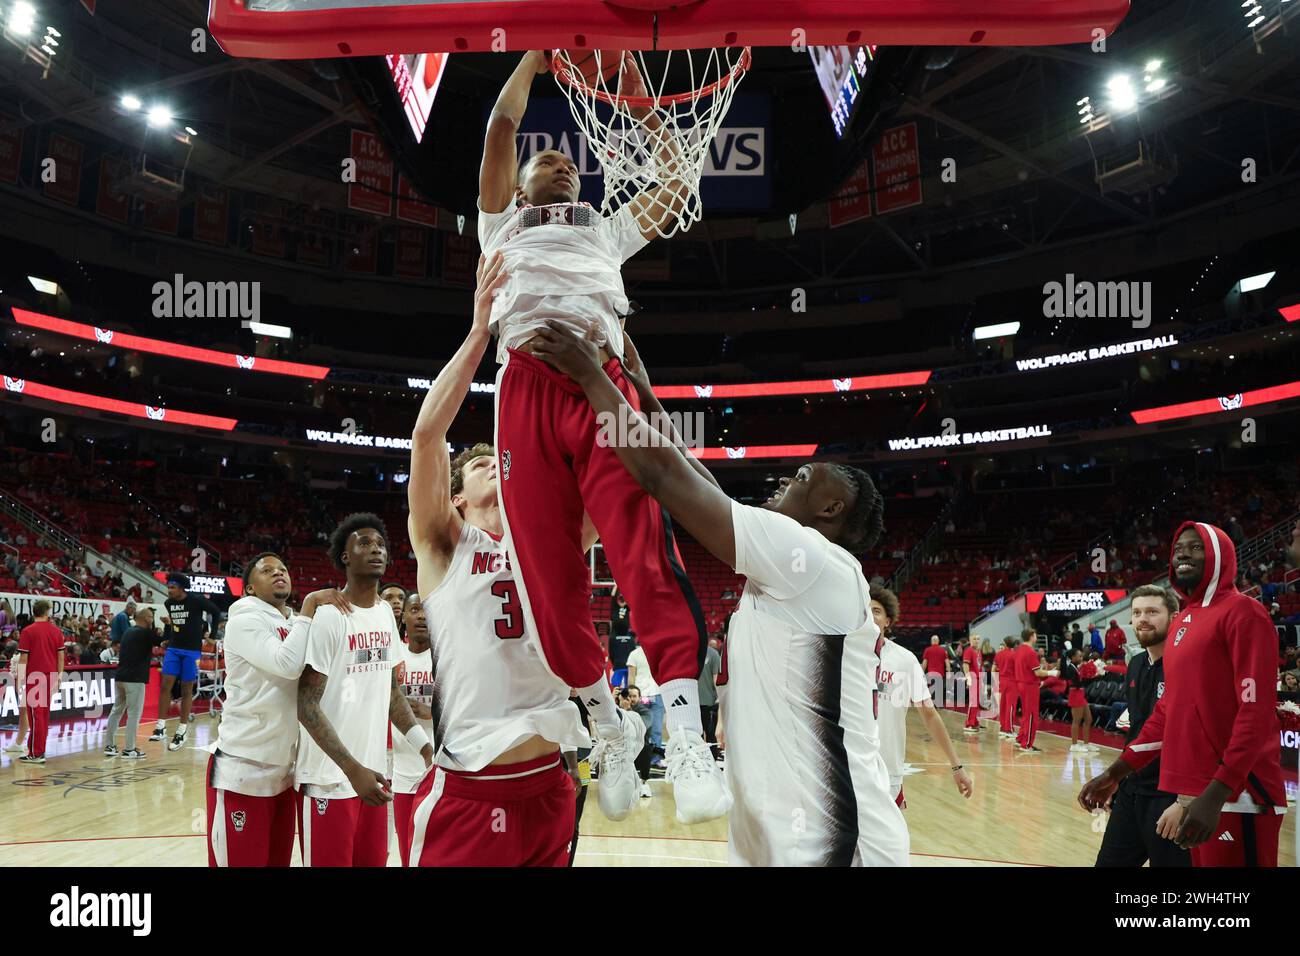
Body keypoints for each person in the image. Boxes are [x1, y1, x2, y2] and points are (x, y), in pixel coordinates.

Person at [529, 320, 907, 865]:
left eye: (802, 477)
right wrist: (645, 395)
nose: (785, 481)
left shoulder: (813, 559)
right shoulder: (799, 569)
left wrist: (591, 376)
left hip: (832, 832)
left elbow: (664, 479)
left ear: (831, 510)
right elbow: (695, 478)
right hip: (774, 823)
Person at [478, 51, 723, 822]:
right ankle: (608, 731)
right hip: (522, 388)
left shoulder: (605, 230)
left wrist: (638, 100)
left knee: (644, 549)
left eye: (570, 164)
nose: (559, 164)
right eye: (544, 161)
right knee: (549, 580)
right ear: (519, 185)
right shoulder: (498, 226)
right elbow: (501, 126)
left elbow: (680, 186)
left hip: (601, 383)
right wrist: (533, 50)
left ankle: (688, 743)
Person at [403, 256, 596, 867]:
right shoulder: (443, 544)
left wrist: (597, 360)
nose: (491, 464)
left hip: (549, 783)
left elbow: (618, 462)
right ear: (456, 496)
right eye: (478, 465)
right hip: (467, 788)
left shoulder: (556, 537)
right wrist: (481, 330)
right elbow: (427, 438)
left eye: (497, 461)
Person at [1079, 523, 1287, 867]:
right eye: (1177, 550)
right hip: (1195, 793)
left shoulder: (1244, 612)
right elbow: (1167, 712)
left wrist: (1218, 793)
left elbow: (1255, 712)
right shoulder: (1185, 620)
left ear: (1221, 555)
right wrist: (1116, 772)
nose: (1182, 555)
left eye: (1195, 547)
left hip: (1242, 795)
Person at [295, 514, 432, 867]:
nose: (376, 550)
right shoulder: (330, 617)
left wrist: (425, 747)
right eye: (365, 543)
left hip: (372, 779)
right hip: (329, 779)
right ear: (345, 556)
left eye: (381, 545)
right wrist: (351, 769)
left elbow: (391, 693)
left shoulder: (386, 613)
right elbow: (307, 705)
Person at [207, 553, 342, 867]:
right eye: (267, 571)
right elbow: (287, 665)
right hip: (243, 767)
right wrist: (310, 608)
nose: (278, 573)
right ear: (250, 588)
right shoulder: (244, 619)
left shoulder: (295, 622)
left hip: (284, 770)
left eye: (282, 569)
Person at [1080, 585, 1189, 867]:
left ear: (1174, 617)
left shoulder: (1188, 664)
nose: (1143, 619)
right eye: (1137, 612)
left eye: (1152, 612)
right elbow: (1136, 731)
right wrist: (1119, 779)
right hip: (1132, 790)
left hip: (1170, 795)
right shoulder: (1137, 663)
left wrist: (1186, 800)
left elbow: (1194, 737)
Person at [870, 586, 973, 809]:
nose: (870, 615)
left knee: (891, 844)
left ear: (888, 620)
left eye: (876, 611)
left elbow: (929, 714)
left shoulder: (904, 660)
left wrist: (956, 765)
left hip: (889, 772)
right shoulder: (842, 656)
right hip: (849, 772)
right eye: (865, 610)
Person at [149, 573, 223, 751]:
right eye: (168, 587)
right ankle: (160, 726)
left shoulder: (196, 601)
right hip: (174, 648)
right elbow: (175, 624)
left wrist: (212, 636)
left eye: (172, 587)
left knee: (187, 688)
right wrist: (167, 638)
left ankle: (181, 729)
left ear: (181, 588)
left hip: (191, 651)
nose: (169, 591)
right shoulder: (169, 604)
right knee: (166, 684)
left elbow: (215, 611)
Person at [391, 592, 434, 867]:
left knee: (435, 850)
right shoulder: (394, 659)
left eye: (427, 610)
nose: (421, 616)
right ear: (403, 616)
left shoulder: (445, 659)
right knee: (407, 853)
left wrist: (434, 712)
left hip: (437, 770)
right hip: (402, 771)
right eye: (415, 609)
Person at [14, 600, 64, 764]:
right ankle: (36, 750)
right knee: (43, 715)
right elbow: (61, 656)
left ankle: (36, 753)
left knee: (36, 716)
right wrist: (60, 675)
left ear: (33, 611)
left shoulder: (28, 631)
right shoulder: (56, 631)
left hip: (35, 677)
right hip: (50, 675)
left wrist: (20, 678)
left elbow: (23, 657)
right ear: (47, 612)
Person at [103, 607, 155, 760]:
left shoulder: (128, 632)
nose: (152, 619)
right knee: (133, 714)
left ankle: (110, 745)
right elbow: (162, 639)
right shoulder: (145, 633)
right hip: (135, 679)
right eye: (151, 616)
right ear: (146, 618)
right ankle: (129, 749)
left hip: (120, 676)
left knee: (116, 710)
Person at [1012, 629, 1052, 754]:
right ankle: (1027, 744)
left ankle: (1021, 738)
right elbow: (1037, 672)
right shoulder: (1030, 652)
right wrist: (1052, 673)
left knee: (1026, 713)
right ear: (1031, 636)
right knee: (1032, 715)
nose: (1036, 637)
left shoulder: (1018, 650)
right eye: (1035, 635)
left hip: (1021, 683)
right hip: (1029, 686)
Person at [625, 640, 663, 763]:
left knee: (656, 729)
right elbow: (631, 677)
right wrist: (630, 695)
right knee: (638, 728)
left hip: (657, 694)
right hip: (640, 696)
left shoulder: (659, 652)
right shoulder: (634, 654)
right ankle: (637, 756)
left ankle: (656, 757)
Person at [1061, 647, 1094, 753]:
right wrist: (1092, 678)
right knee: (1076, 720)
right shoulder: (1070, 668)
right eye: (1079, 656)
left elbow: (1080, 681)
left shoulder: (1075, 667)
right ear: (1073, 657)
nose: (1081, 657)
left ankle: (1086, 743)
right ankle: (1074, 745)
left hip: (1080, 694)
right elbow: (1075, 683)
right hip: (1075, 694)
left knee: (1088, 719)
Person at [698, 638, 722, 761]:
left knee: (710, 733)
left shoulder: (712, 654)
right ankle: (700, 761)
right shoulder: (690, 652)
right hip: (694, 703)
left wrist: (719, 697)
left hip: (709, 702)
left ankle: (712, 761)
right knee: (698, 734)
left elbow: (716, 677)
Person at [607, 590, 635, 689]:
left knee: (629, 686)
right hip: (619, 665)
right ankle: (616, 699)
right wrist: (616, 584)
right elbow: (613, 596)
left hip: (624, 664)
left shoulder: (627, 609)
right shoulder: (615, 608)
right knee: (616, 687)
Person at [993, 636, 1018, 739]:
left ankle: (1003, 727)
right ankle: (1009, 729)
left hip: (1002, 681)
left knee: (1003, 705)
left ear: (1005, 643)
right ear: (1014, 644)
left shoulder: (998, 654)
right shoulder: (1015, 655)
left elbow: (994, 669)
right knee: (1011, 706)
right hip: (1012, 682)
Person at [961, 635, 983, 734]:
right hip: (973, 678)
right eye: (974, 639)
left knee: (977, 702)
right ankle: (969, 723)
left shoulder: (979, 651)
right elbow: (965, 665)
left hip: (978, 678)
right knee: (973, 701)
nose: (976, 641)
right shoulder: (968, 651)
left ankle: (974, 721)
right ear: (970, 640)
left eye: (978, 639)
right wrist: (968, 677)